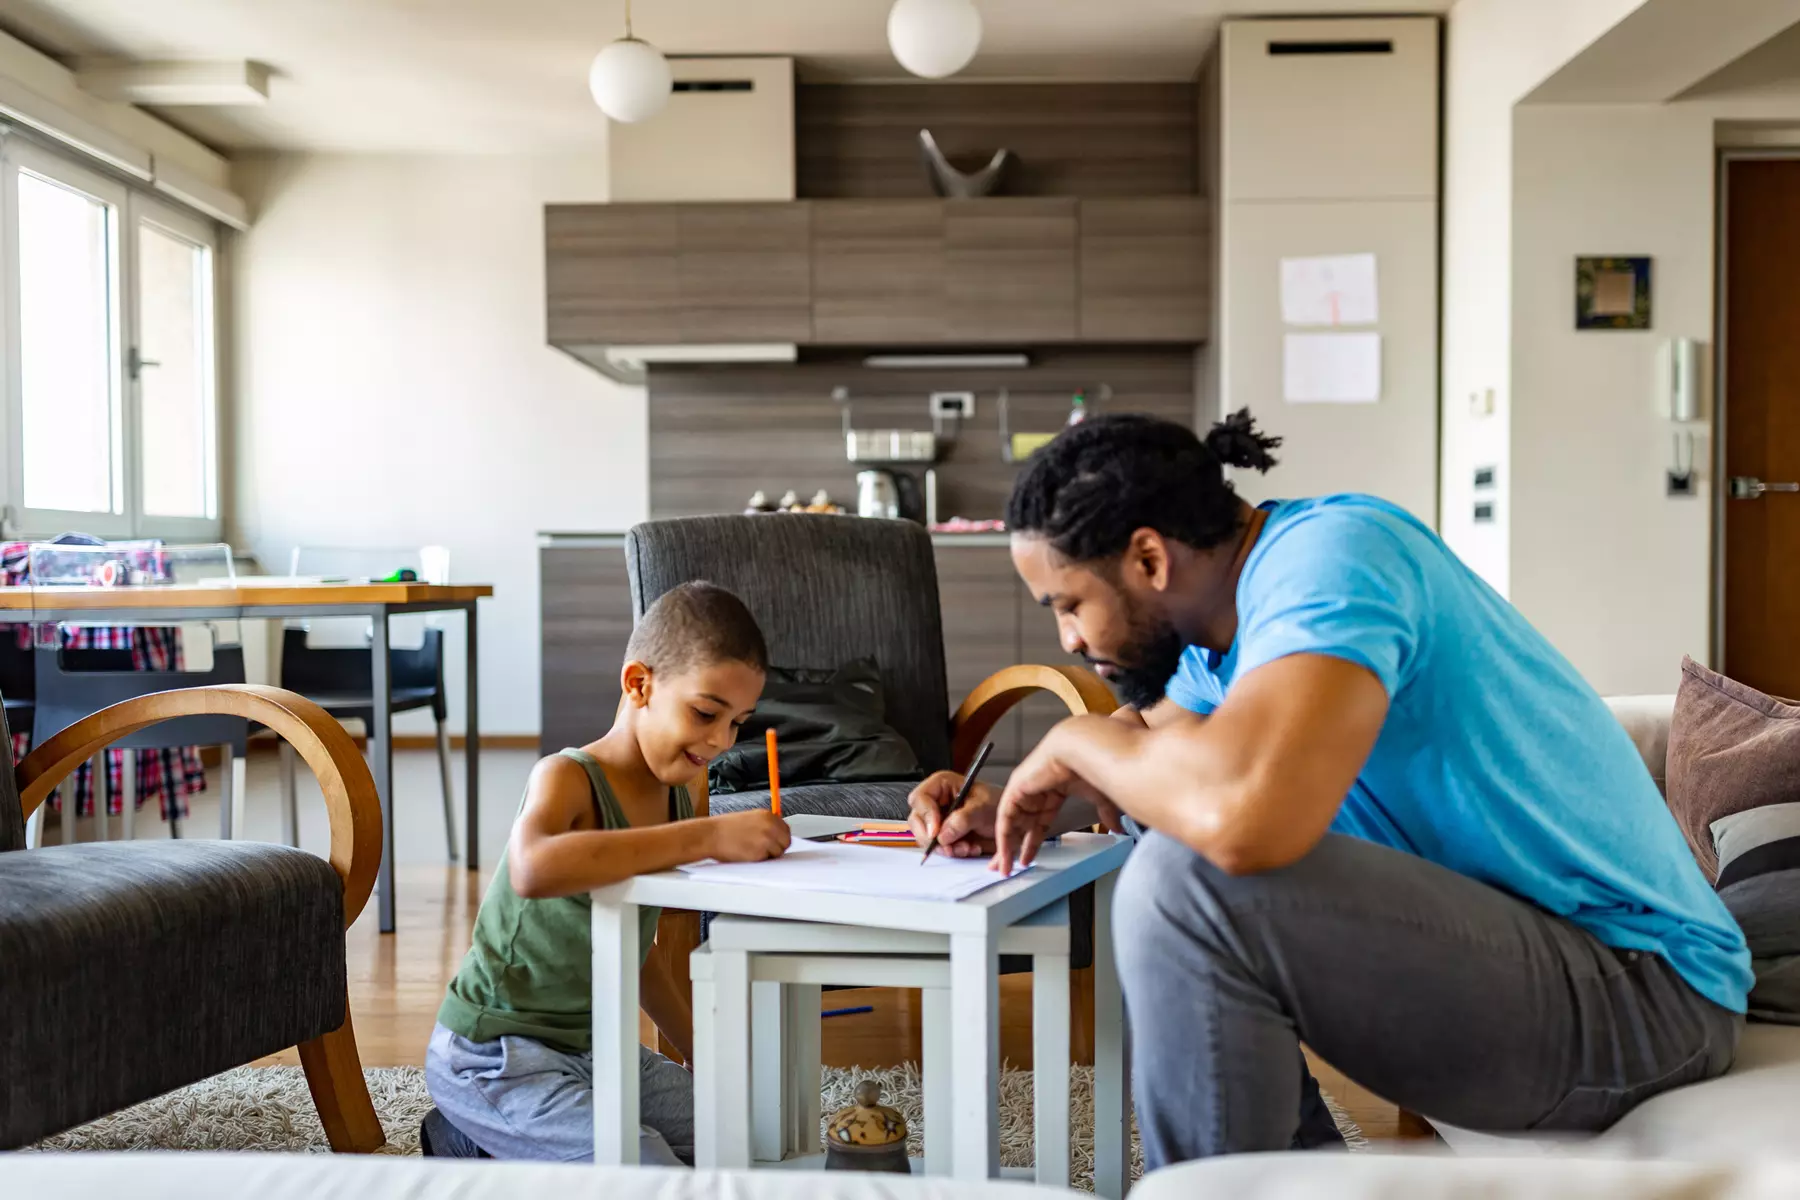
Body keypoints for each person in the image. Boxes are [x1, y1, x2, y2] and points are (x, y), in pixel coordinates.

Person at [908, 411, 1750, 1167]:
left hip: (1644, 996)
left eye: (1068, 605)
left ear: (1149, 558)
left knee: (1187, 879)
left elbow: (1245, 821)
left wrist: (1070, 735)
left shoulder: (1334, 559)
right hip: (1542, 968)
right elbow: (1147, 746)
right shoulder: (1219, 634)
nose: (1066, 637)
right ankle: (1298, 1180)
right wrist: (1011, 797)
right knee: (1167, 837)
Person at [422, 581, 790, 1163]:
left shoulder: (682, 791)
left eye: (738, 723)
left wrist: (696, 1045)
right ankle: (466, 1139)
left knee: (747, 1138)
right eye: (704, 713)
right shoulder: (565, 777)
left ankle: (504, 1142)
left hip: (597, 1046)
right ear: (639, 684)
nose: (720, 742)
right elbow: (532, 868)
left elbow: (633, 945)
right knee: (644, 1165)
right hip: (496, 1055)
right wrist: (711, 835)